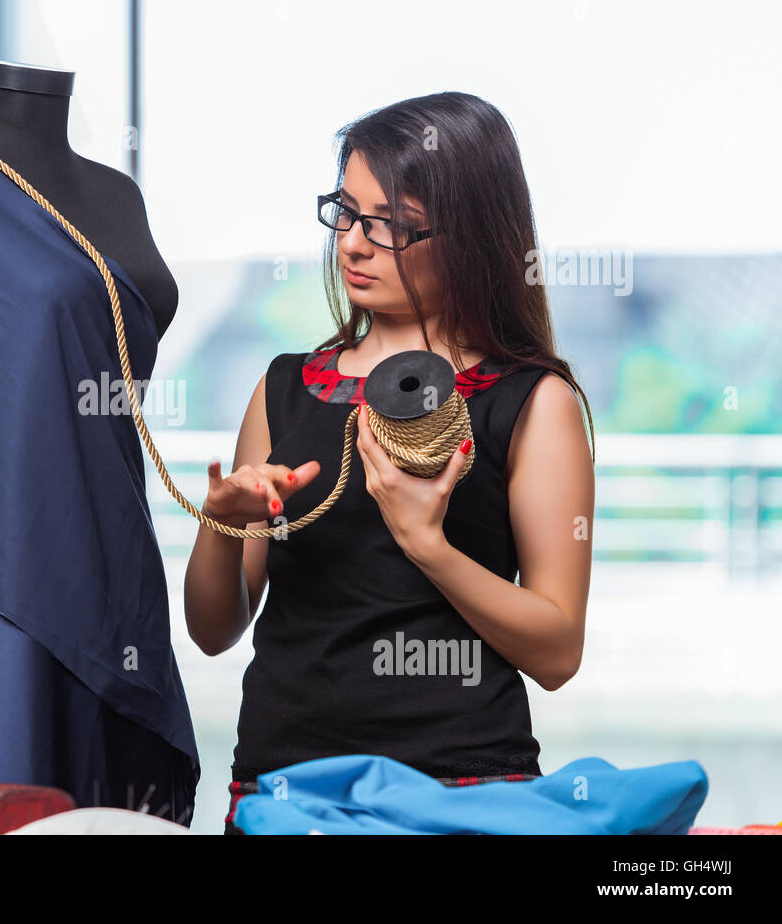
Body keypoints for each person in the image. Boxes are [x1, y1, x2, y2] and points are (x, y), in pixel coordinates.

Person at [182, 92, 597, 835]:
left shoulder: (533, 400)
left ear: (471, 235)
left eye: (393, 226)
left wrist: (427, 546)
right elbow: (214, 630)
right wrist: (218, 526)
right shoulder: (284, 388)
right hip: (288, 790)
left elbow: (558, 649)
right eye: (344, 211)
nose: (353, 243)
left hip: (463, 793)